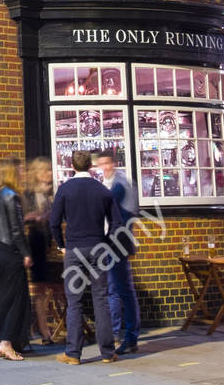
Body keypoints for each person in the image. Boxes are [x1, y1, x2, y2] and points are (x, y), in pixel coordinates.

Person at [49, 150, 122, 365]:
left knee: (74, 302)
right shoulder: (102, 190)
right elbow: (117, 222)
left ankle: (73, 354)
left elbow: (54, 222)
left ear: (72, 166)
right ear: (90, 166)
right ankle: (108, 353)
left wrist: (61, 245)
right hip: (98, 248)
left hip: (74, 250)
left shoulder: (65, 190)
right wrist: (106, 242)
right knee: (101, 299)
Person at [96, 149, 141, 355]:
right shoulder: (112, 182)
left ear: (114, 163)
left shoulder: (120, 183)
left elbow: (105, 207)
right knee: (116, 289)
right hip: (114, 241)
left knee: (121, 290)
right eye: (101, 163)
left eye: (107, 163)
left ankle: (127, 336)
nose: (105, 167)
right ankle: (119, 335)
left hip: (117, 242)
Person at [0, 157, 33, 360]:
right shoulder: (12, 196)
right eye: (20, 171)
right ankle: (7, 343)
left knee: (0, 297)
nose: (22, 174)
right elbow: (16, 229)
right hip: (10, 252)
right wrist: (25, 253)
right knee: (16, 299)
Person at [22, 156, 61, 344]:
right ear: (37, 174)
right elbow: (20, 219)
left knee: (50, 289)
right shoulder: (28, 195)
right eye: (45, 170)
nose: (49, 174)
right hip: (34, 243)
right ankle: (43, 330)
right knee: (39, 289)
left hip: (47, 245)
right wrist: (34, 217)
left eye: (50, 170)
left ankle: (42, 327)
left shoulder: (51, 193)